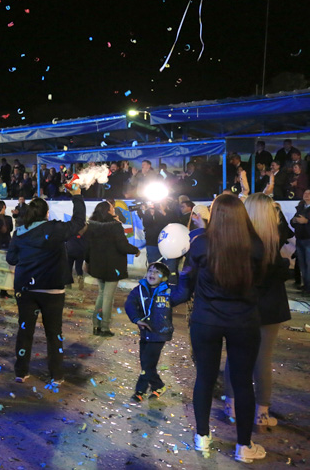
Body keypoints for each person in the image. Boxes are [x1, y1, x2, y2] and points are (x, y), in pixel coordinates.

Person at [182, 194, 267, 463]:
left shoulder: (200, 244)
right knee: (242, 382)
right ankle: (243, 446)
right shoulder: (255, 245)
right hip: (243, 321)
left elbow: (187, 281)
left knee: (204, 378)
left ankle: (202, 437)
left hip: (206, 321)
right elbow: (260, 282)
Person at [222, 193, 292, 427]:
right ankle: (261, 414)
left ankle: (231, 406)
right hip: (270, 307)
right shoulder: (273, 243)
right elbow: (281, 272)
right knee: (263, 358)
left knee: (235, 356)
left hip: (241, 306)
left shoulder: (238, 242)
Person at [6, 188, 84, 384]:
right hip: (52, 290)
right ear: (46, 213)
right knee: (54, 333)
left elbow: (11, 258)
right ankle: (56, 375)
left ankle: (21, 371)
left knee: (25, 330)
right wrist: (77, 196)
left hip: (26, 289)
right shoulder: (54, 229)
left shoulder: (19, 232)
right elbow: (78, 223)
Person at [125, 262, 189, 401]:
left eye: (157, 272)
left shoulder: (168, 291)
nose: (152, 274)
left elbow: (183, 294)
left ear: (164, 278)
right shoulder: (139, 290)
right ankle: (158, 386)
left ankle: (140, 391)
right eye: (150, 271)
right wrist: (137, 319)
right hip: (145, 333)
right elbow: (129, 304)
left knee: (148, 363)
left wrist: (183, 277)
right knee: (146, 363)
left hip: (159, 333)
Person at [85, 201, 140, 336]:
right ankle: (104, 327)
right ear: (108, 211)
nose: (114, 210)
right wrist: (135, 250)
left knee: (102, 294)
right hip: (112, 266)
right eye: (112, 208)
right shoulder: (115, 226)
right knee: (108, 297)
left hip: (98, 265)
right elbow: (122, 245)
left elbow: (87, 246)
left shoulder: (91, 225)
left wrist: (88, 262)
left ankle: (96, 324)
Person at [290, 189, 310, 297]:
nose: (306, 195)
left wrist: (307, 222)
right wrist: (293, 221)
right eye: (305, 193)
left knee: (308, 265)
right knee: (302, 265)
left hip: (308, 239)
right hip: (300, 239)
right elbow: (293, 222)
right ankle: (306, 286)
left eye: (309, 193)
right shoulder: (301, 207)